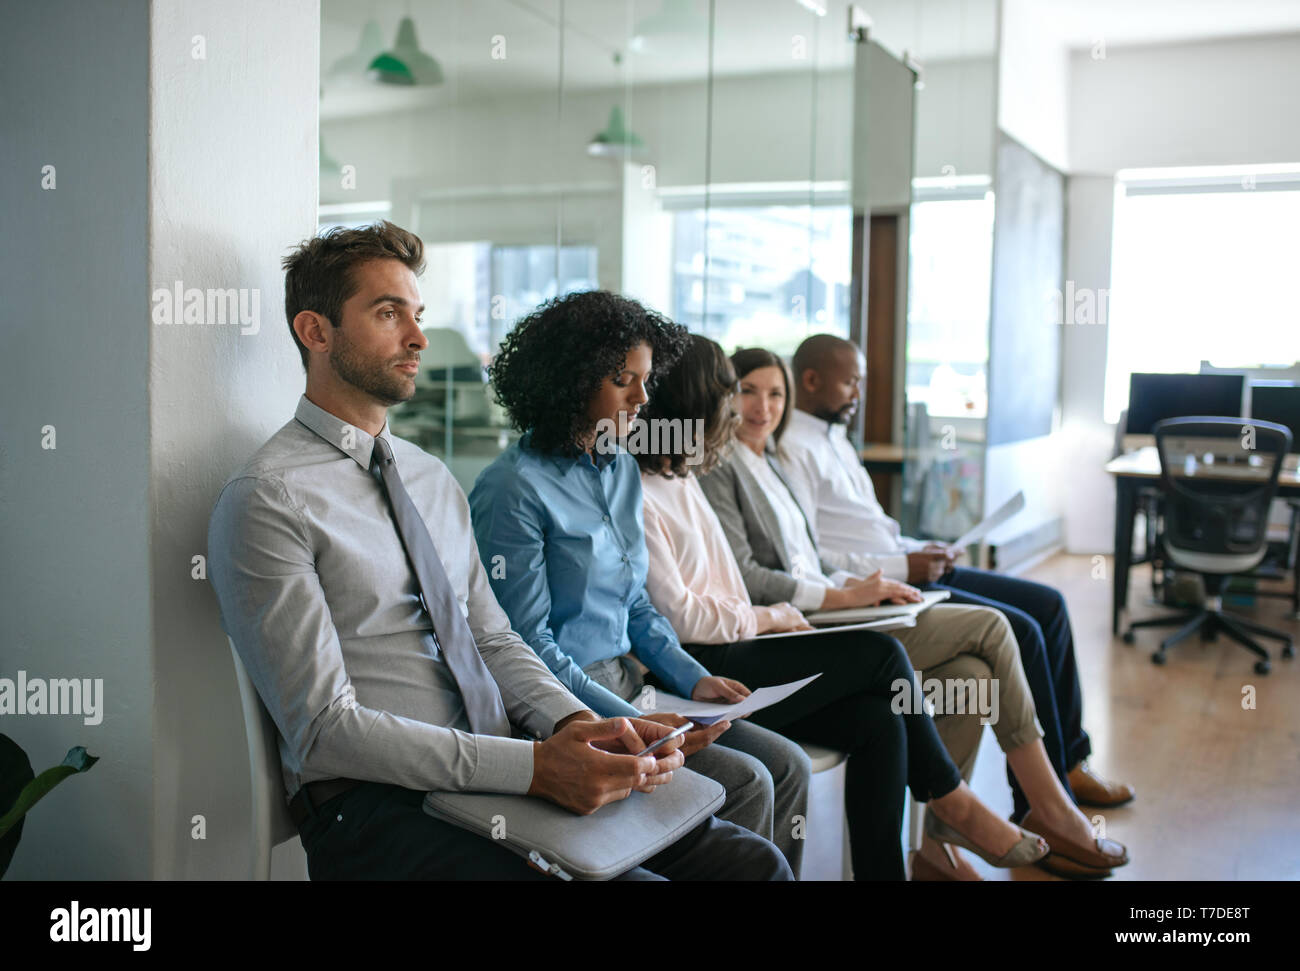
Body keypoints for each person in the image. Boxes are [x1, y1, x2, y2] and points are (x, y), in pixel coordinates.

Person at [206, 222, 791, 881]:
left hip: (498, 769)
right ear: (315, 331)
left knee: (753, 864)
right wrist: (535, 768)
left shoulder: (428, 478)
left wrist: (581, 724)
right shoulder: (268, 498)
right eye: (387, 313)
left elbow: (495, 637)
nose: (419, 338)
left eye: (418, 314)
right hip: (376, 807)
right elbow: (326, 731)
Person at [634, 334, 1098, 881]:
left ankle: (907, 862)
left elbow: (734, 581)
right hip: (712, 661)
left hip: (752, 633)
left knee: (887, 717)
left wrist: (844, 592)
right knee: (893, 656)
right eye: (732, 394)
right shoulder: (644, 488)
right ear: (696, 402)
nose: (743, 409)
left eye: (764, 394)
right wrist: (777, 615)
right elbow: (686, 615)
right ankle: (957, 804)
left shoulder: (685, 476)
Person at [468, 290, 810, 877]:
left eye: (647, 379)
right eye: (625, 380)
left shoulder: (622, 467)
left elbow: (635, 603)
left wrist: (694, 680)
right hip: (567, 706)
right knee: (750, 781)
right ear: (571, 382)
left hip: (635, 682)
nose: (643, 398)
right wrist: (632, 720)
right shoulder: (512, 490)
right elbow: (525, 646)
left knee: (787, 764)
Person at [779, 334, 1136, 824]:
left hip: (904, 563)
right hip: (884, 585)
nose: (858, 394)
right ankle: (1037, 803)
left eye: (861, 382)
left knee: (1048, 605)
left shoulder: (834, 438)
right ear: (812, 380)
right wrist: (908, 566)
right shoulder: (791, 448)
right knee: (1021, 629)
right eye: (850, 382)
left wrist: (920, 547)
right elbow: (814, 554)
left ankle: (1071, 761)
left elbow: (874, 529)